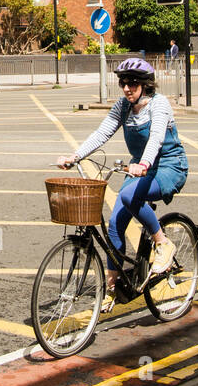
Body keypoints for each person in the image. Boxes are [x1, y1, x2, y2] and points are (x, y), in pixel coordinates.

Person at [56, 58, 188, 312]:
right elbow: (102, 131)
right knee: (115, 225)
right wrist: (75, 156)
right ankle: (112, 289)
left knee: (128, 196)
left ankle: (162, 242)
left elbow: (157, 138)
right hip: (140, 168)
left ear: (146, 85)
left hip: (169, 167)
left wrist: (145, 163)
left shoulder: (159, 105)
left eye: (133, 84)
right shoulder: (124, 106)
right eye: (123, 83)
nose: (127, 88)